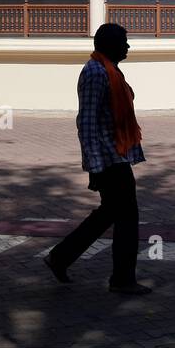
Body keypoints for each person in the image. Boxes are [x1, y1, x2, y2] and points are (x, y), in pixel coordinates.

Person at [44, 23, 150, 294]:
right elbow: (87, 121)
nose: (128, 47)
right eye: (124, 42)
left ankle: (61, 257)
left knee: (110, 213)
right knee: (126, 217)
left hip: (115, 155)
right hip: (107, 158)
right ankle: (122, 279)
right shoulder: (95, 72)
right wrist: (94, 165)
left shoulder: (110, 70)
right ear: (109, 44)